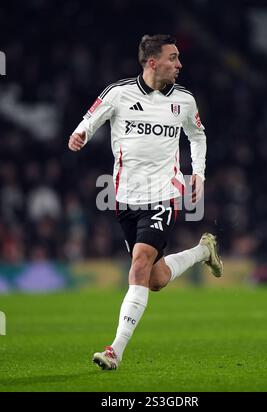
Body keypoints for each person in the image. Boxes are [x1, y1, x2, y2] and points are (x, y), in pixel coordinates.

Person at [68, 34, 223, 370]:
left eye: (179, 57)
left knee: (138, 265)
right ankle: (202, 252)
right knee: (155, 279)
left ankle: (114, 351)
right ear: (153, 62)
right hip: (124, 198)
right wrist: (80, 132)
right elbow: (90, 118)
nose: (179, 64)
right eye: (173, 57)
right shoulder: (118, 93)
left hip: (164, 194)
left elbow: (198, 135)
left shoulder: (184, 101)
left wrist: (198, 174)